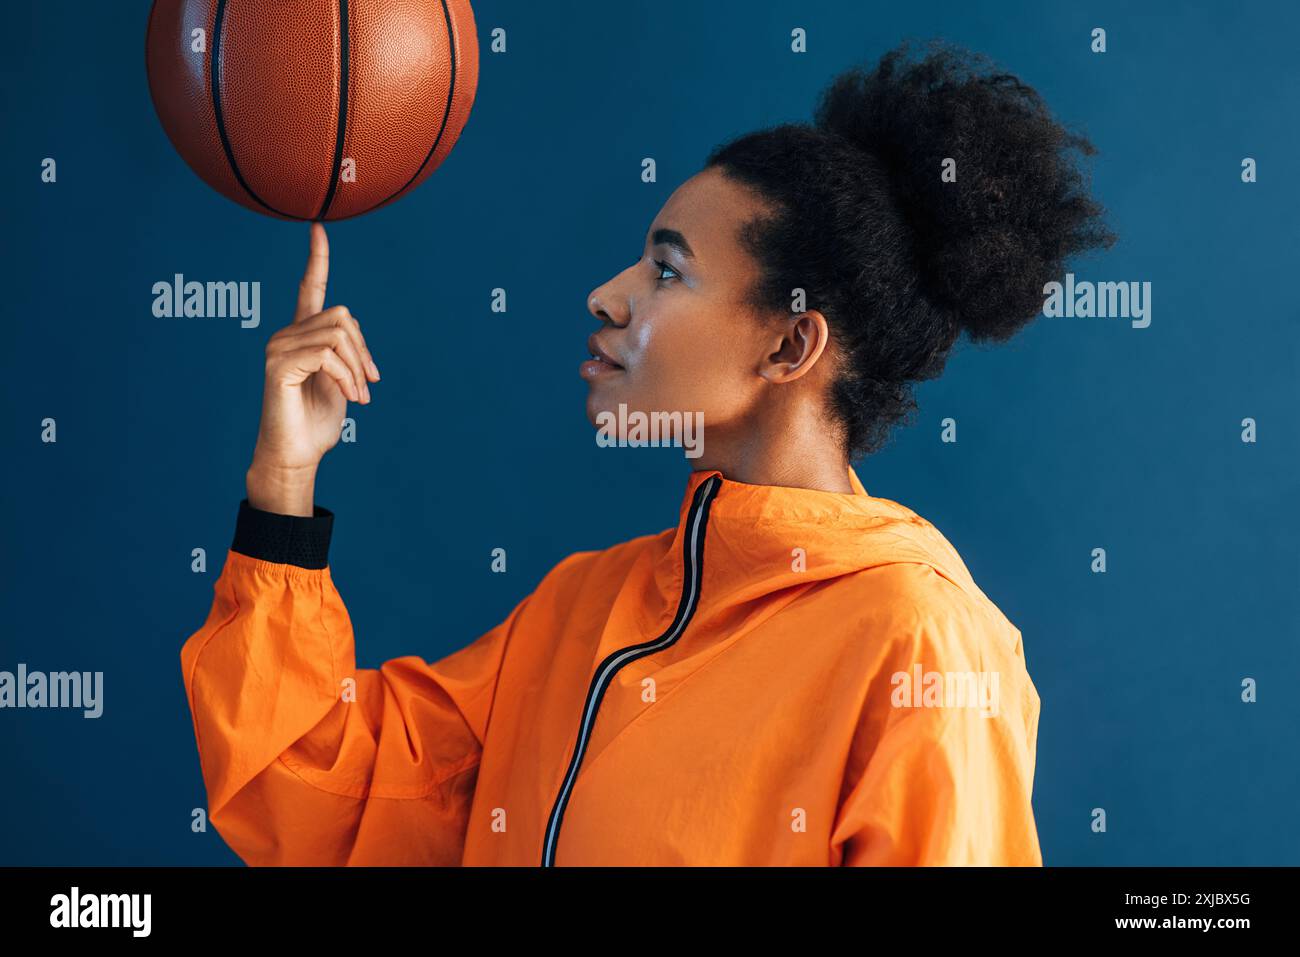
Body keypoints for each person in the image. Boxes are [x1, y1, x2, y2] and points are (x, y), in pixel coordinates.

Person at [180, 40, 1114, 866]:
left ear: (790, 345)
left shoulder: (921, 643)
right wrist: (284, 485)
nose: (606, 294)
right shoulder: (581, 608)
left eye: (667, 269)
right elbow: (318, 805)